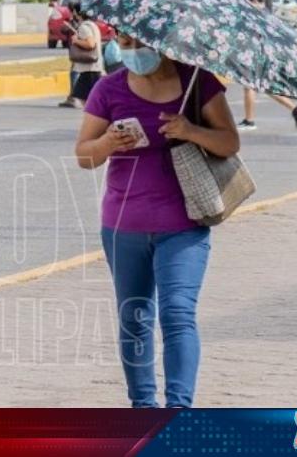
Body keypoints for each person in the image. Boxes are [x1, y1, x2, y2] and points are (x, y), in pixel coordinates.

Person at [75, 34, 240, 408]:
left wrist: (190, 130)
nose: (131, 49)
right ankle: (143, 409)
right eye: (122, 40)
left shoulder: (196, 82)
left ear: (162, 42)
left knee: (177, 313)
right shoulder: (108, 88)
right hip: (122, 225)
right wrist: (106, 145)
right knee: (135, 317)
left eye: (138, 41)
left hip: (183, 224)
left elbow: (230, 142)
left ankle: (178, 409)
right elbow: (83, 156)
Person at [239, 0, 297, 130]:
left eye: (246, 1)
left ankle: (249, 121)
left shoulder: (257, 13)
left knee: (249, 86)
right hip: (266, 54)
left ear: (254, 0)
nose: (244, 4)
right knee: (265, 87)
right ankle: (294, 108)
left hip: (257, 54)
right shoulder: (267, 13)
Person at [62, 4, 103, 109]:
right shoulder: (92, 25)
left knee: (85, 97)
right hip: (92, 68)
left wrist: (76, 41)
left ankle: (94, 117)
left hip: (90, 69)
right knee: (85, 97)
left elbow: (90, 44)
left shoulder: (84, 27)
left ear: (77, 12)